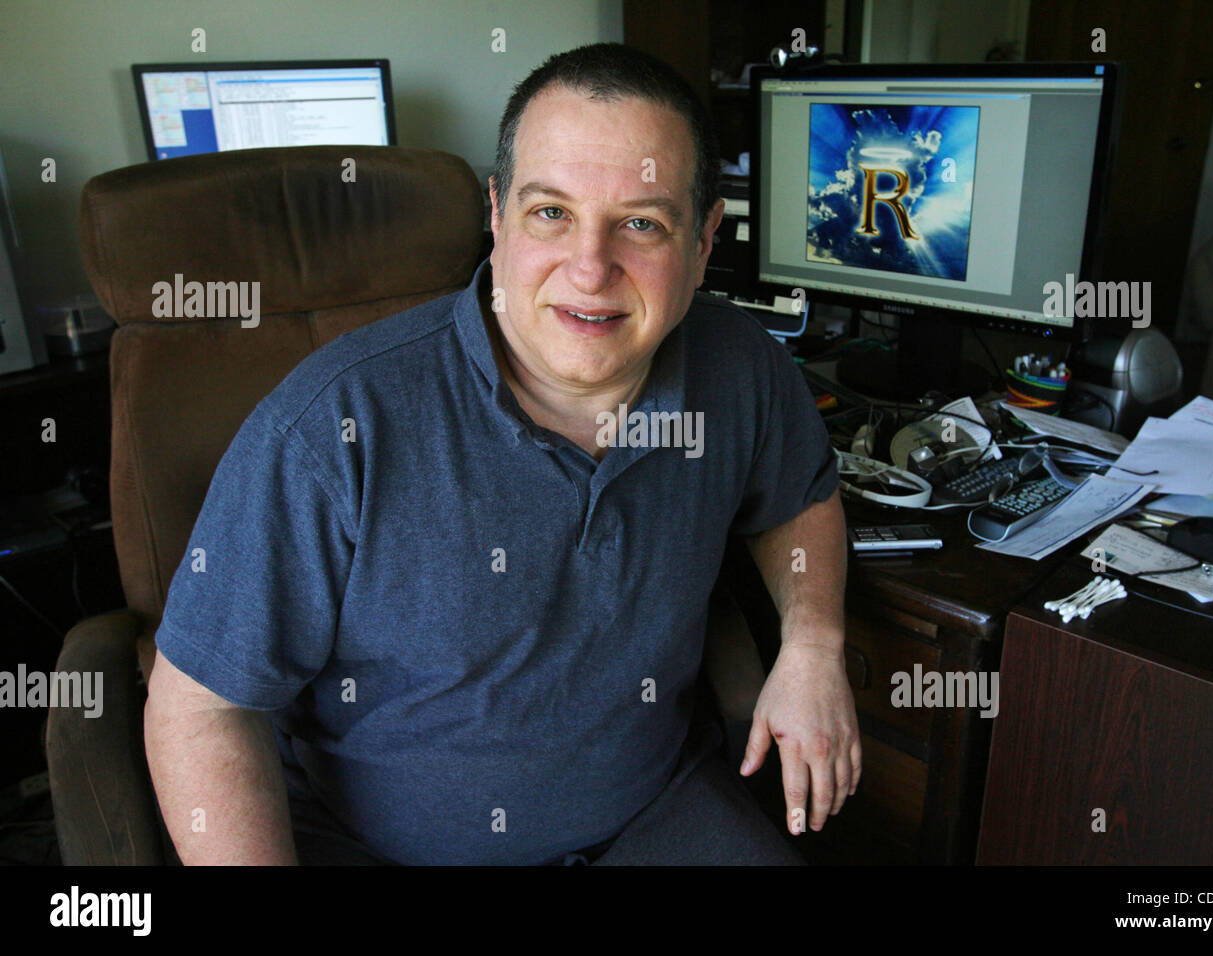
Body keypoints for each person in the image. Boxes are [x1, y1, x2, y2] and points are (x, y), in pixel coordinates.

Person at [143, 42, 859, 866]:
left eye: (640, 224)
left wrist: (813, 646)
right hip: (384, 849)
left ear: (703, 242)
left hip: (650, 817)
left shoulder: (740, 365)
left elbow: (798, 497)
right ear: (496, 214)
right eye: (550, 212)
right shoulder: (334, 425)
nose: (589, 270)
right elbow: (198, 708)